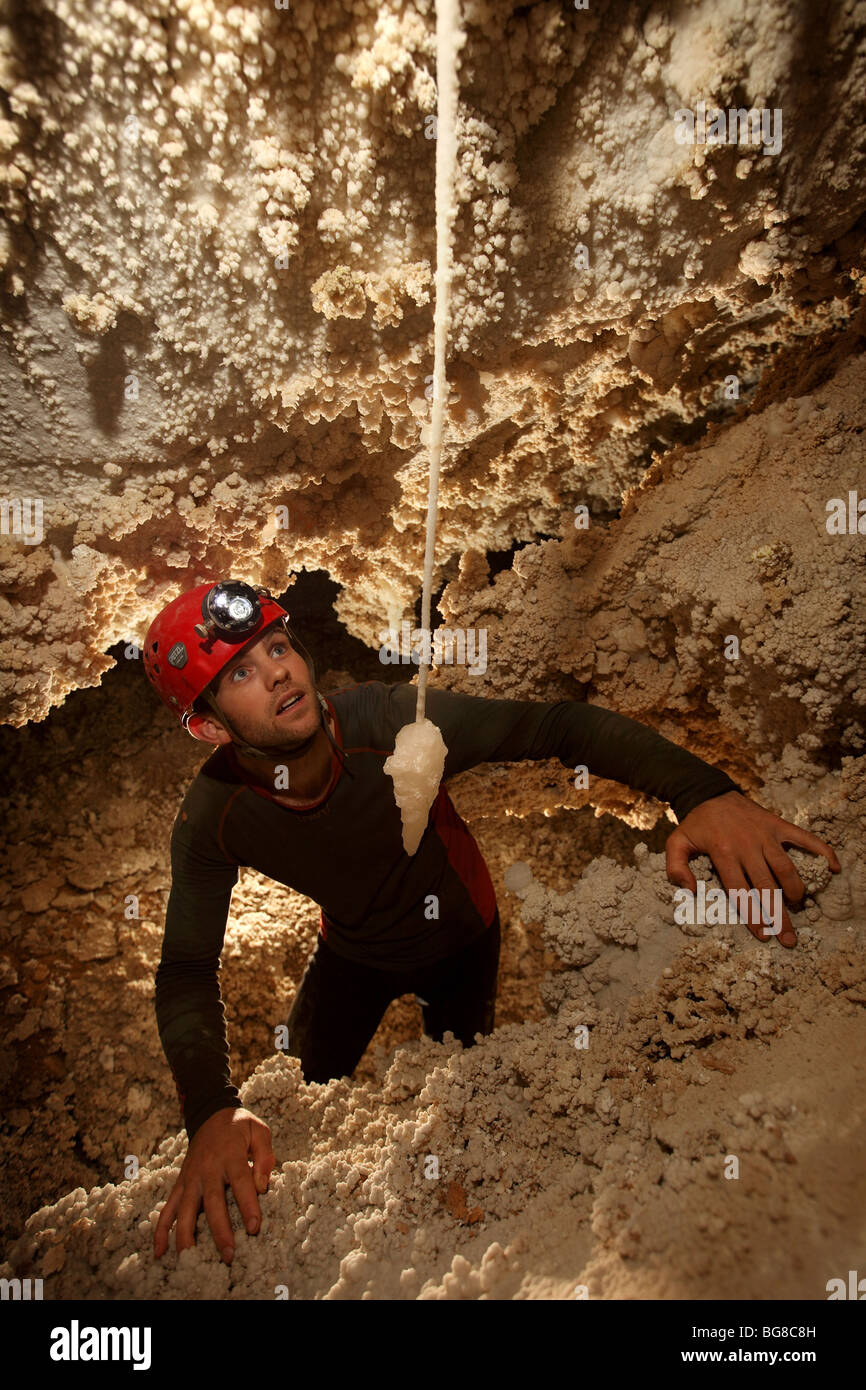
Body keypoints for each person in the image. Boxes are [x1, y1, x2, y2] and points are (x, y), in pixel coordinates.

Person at [143, 579, 840, 1266]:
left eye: (276, 646)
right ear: (208, 726)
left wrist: (704, 793)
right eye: (241, 672)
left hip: (459, 939)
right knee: (295, 1092)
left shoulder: (392, 724)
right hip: (350, 952)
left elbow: (555, 727)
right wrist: (210, 1108)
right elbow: (184, 970)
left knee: (464, 1090)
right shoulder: (215, 817)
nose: (278, 672)